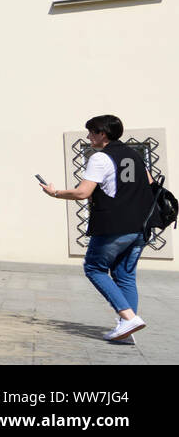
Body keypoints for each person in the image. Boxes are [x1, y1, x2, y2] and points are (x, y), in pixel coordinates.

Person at [42, 114, 155, 342]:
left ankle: (129, 318)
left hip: (113, 225)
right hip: (140, 226)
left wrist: (54, 192)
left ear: (102, 133)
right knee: (125, 275)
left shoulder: (101, 158)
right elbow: (150, 183)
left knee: (94, 268)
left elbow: (83, 192)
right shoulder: (135, 156)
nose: (88, 136)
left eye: (91, 132)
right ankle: (126, 329)